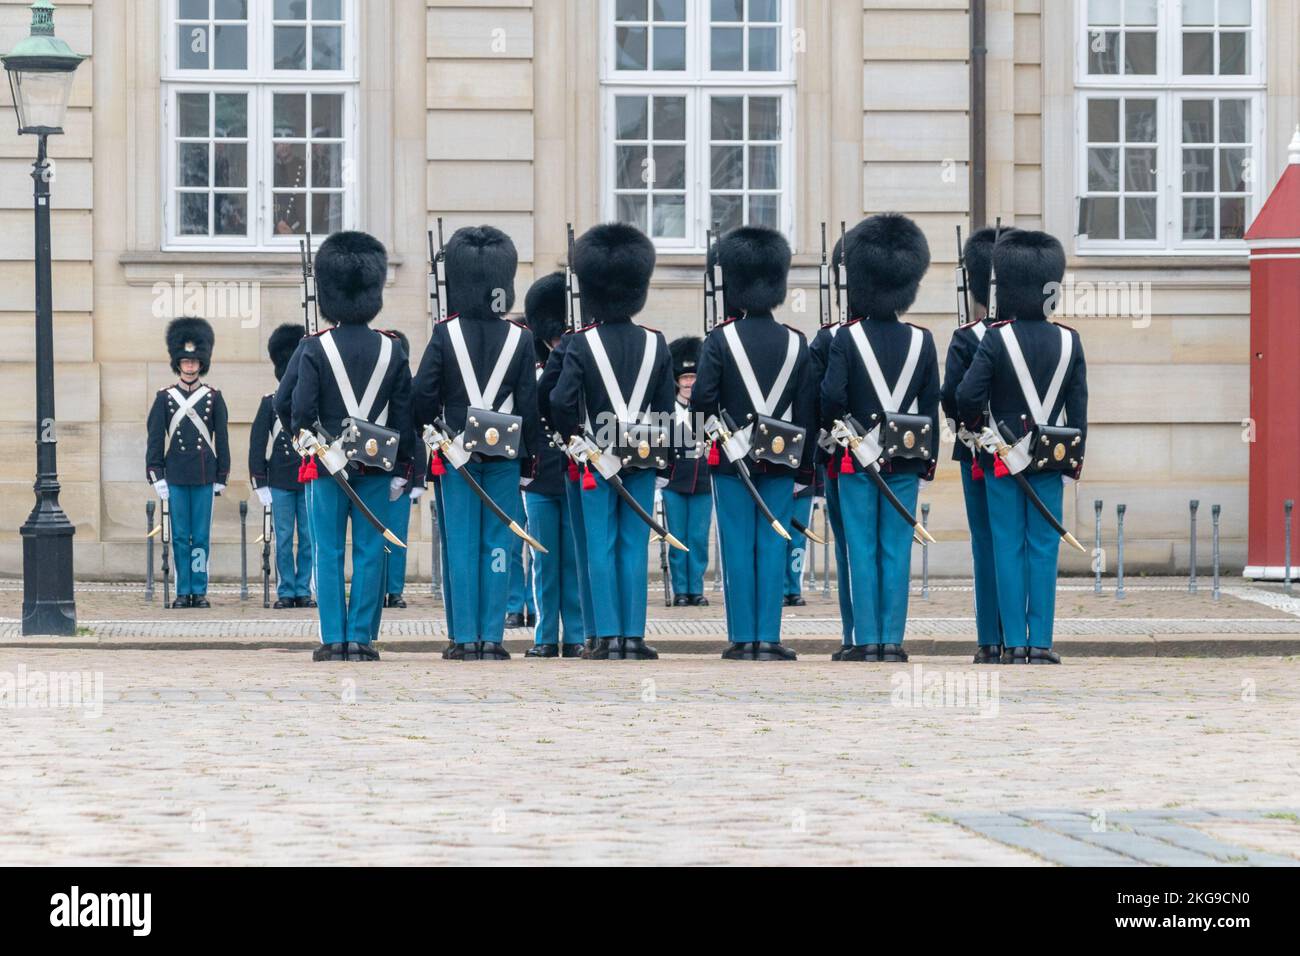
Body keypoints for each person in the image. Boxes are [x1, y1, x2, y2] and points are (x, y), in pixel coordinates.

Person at [956, 230, 1088, 664]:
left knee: (1007, 544)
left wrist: (983, 427)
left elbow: (967, 397)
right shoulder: (1069, 339)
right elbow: (1078, 408)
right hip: (1052, 456)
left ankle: (1013, 642)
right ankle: (1041, 642)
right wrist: (1073, 458)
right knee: (1044, 547)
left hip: (1003, 460)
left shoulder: (995, 338)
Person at [412, 225, 539, 661]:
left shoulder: (445, 335)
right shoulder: (521, 338)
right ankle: (492, 637)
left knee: (462, 545)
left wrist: (440, 431)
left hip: (456, 458)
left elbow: (421, 396)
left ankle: (464, 637)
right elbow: (529, 405)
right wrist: (529, 460)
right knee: (499, 546)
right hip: (504, 456)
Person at [549, 222, 675, 661]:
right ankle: (632, 635)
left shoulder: (581, 344)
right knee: (633, 546)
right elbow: (665, 408)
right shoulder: (656, 344)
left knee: (598, 545)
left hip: (595, 460)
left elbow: (561, 400)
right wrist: (664, 461)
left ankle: (603, 635)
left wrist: (575, 440)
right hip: (642, 456)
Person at [288, 231, 416, 661]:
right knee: (368, 550)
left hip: (328, 467)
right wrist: (403, 467)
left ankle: (334, 638)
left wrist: (314, 439)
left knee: (327, 550)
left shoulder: (314, 348)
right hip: (378, 466)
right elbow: (404, 415)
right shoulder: (393, 349)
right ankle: (361, 638)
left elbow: (300, 410)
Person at [821, 213, 940, 663]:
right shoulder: (922, 339)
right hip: (906, 461)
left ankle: (865, 639)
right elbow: (932, 403)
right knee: (895, 551)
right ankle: (892, 640)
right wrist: (926, 460)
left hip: (856, 462)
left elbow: (832, 398)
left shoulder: (846, 339)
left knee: (860, 548)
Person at [693, 225, 814, 661]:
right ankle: (768, 636)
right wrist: (803, 468)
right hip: (781, 462)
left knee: (738, 546)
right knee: (773, 544)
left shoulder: (719, 340)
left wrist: (725, 438)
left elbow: (702, 401)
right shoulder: (797, 343)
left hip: (731, 463)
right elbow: (806, 413)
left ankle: (742, 637)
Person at [940, 226, 1014, 663]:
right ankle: (1019, 635)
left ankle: (990, 639)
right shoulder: (1018, 333)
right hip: (1017, 451)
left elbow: (951, 396)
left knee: (985, 545)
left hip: (976, 451)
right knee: (1012, 544)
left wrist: (968, 426)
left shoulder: (968, 336)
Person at [521, 272, 587, 658]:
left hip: (577, 474)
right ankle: (545, 635)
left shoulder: (584, 364)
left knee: (576, 560)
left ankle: (576, 633)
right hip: (542, 476)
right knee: (544, 562)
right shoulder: (533, 370)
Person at [146, 317, 230, 609]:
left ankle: (199, 589)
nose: (190, 366)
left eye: (195, 361)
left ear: (201, 363)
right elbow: (155, 438)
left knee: (201, 537)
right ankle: (183, 589)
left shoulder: (213, 397)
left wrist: (222, 473)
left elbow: (223, 440)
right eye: (185, 361)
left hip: (205, 475)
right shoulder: (164, 398)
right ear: (178, 363)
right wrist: (156, 474)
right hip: (178, 476)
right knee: (180, 536)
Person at [249, 322, 314, 609]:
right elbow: (257, 445)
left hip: (309, 477)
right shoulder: (270, 402)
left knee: (310, 539)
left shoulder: (312, 401)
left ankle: (304, 589)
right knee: (284, 539)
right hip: (280, 480)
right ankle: (286, 589)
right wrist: (260, 482)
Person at [662, 336, 712, 607]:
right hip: (675, 480)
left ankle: (697, 587)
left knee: (699, 538)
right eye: (685, 377)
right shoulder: (668, 410)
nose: (690, 382)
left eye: (694, 376)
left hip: (702, 479)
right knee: (677, 537)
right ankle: (681, 588)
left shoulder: (707, 408)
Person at [383, 329, 426, 609]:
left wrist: (417, 477)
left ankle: (394, 589)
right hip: (375, 469)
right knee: (374, 536)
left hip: (401, 471)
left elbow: (416, 434)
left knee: (397, 535)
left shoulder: (409, 387)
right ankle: (377, 586)